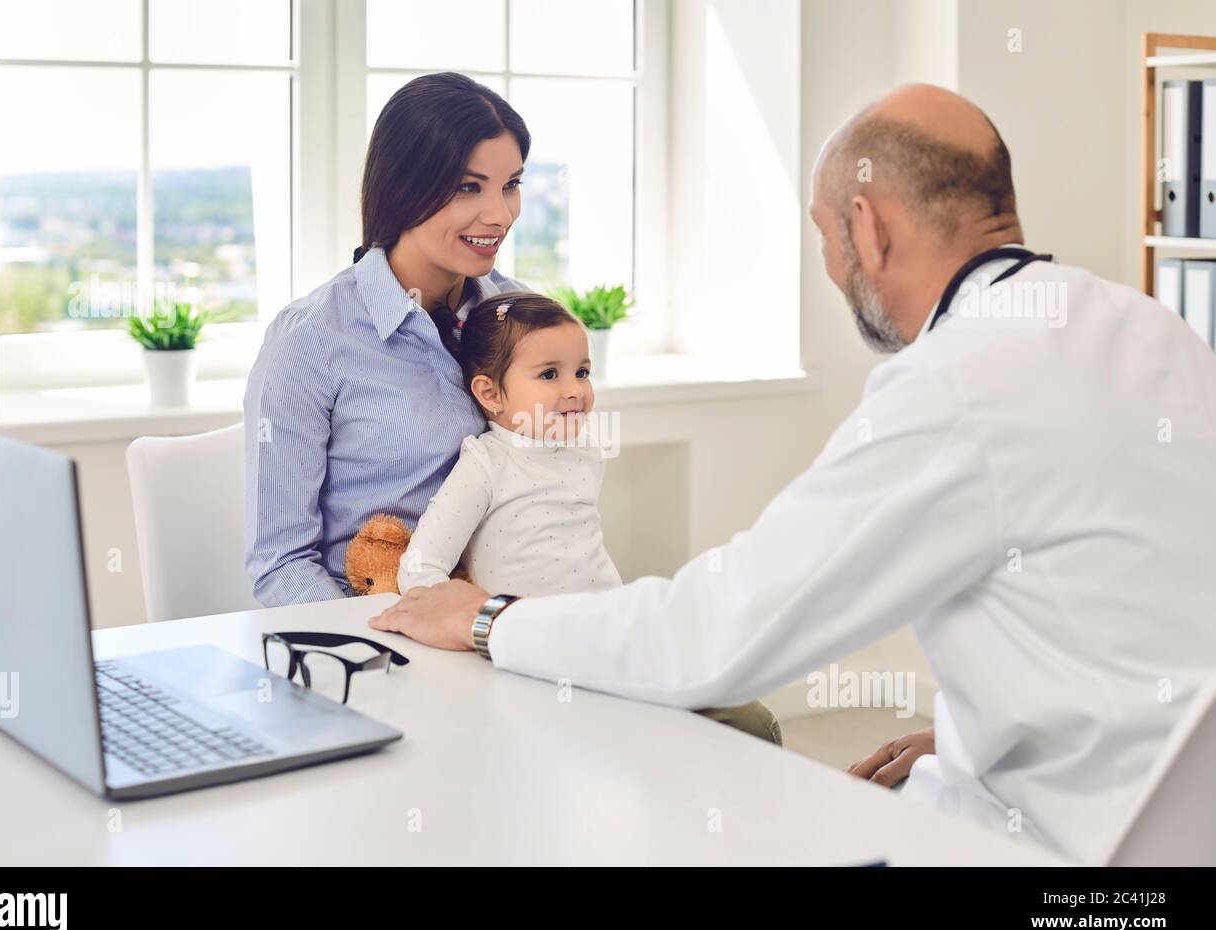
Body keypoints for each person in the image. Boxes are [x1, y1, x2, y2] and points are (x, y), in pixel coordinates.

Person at [368, 84, 1216, 863]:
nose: (829, 264)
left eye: (822, 235)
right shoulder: (1151, 330)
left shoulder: (953, 389)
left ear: (867, 225)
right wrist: (973, 743)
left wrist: (489, 622)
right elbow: (1118, 608)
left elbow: (717, 636)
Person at [396, 291, 781, 744]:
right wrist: (461, 623)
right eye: (549, 374)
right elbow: (421, 565)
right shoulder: (485, 465)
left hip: (609, 634)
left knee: (749, 719)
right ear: (489, 393)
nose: (575, 389)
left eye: (582, 372)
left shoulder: (584, 452)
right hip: (531, 653)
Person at [243, 73, 528, 605]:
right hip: (379, 649)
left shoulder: (522, 316)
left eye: (510, 184)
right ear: (404, 188)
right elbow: (281, 565)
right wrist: (381, 648)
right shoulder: (310, 340)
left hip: (505, 627)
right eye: (470, 187)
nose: (499, 214)